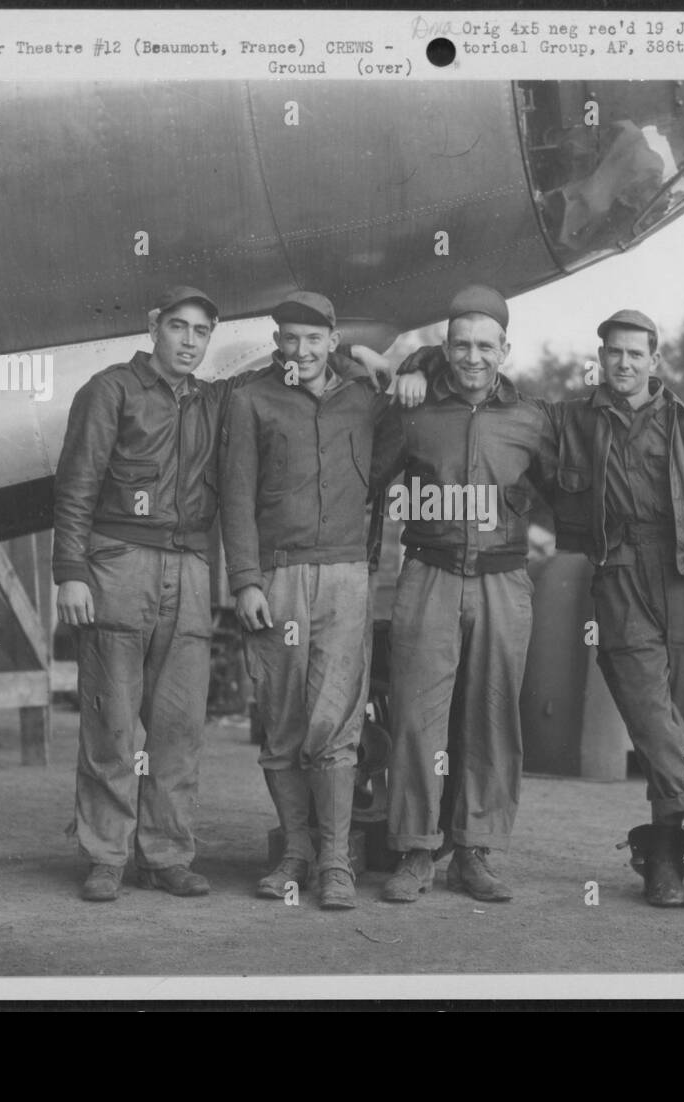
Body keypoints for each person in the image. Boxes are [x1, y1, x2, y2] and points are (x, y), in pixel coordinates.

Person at [396, 308, 684, 907]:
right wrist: (420, 360)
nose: (624, 363)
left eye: (637, 354)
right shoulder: (570, 420)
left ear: (655, 362)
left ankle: (665, 854)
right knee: (650, 716)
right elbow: (483, 386)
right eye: (614, 352)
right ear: (600, 356)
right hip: (620, 576)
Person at [53, 285, 253, 903]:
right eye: (178, 327)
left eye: (201, 331)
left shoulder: (215, 401)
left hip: (191, 568)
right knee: (112, 721)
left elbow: (290, 367)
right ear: (153, 327)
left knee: (179, 725)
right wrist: (71, 571)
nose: (189, 341)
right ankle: (106, 856)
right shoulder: (109, 390)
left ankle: (166, 855)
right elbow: (77, 484)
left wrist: (402, 362)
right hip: (119, 563)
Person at [370, 286, 558, 904]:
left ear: (506, 349)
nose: (472, 356)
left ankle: (475, 852)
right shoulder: (415, 408)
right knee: (416, 718)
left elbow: (569, 492)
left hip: (504, 582)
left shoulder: (532, 418)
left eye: (485, 345)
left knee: (493, 715)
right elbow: (371, 480)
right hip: (427, 574)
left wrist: (565, 547)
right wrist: (410, 366)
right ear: (443, 348)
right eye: (459, 345)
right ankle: (417, 851)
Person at [220, 292, 385, 910]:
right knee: (284, 720)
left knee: (336, 724)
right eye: (289, 339)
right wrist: (245, 582)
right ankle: (294, 853)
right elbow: (235, 498)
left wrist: (391, 367)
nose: (300, 351)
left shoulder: (365, 398)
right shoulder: (250, 399)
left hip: (344, 577)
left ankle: (336, 862)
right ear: (276, 341)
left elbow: (401, 447)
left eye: (313, 339)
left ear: (334, 339)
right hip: (278, 578)